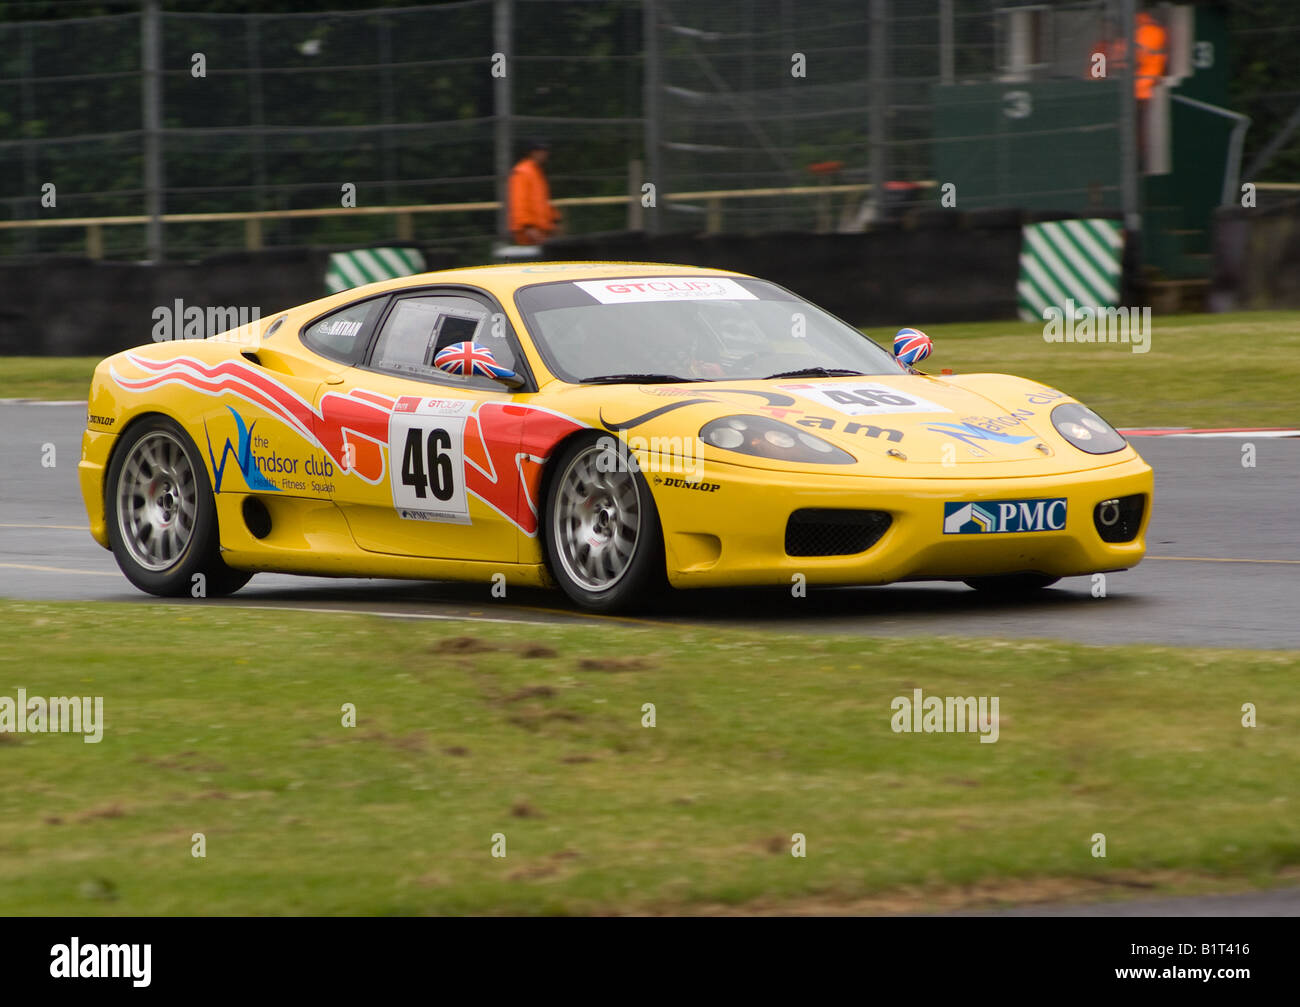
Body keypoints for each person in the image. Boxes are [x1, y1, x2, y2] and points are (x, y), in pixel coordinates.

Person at [508, 139, 561, 246]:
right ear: (532, 152)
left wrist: (555, 220)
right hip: (529, 232)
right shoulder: (523, 172)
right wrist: (527, 227)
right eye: (541, 150)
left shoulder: (537, 172)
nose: (545, 154)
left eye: (546, 150)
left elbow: (542, 201)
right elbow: (519, 202)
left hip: (542, 231)